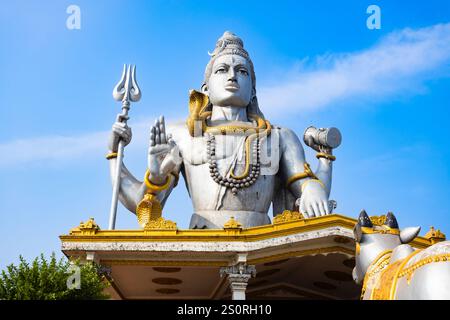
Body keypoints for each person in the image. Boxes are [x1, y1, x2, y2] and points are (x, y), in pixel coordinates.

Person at [107, 31, 335, 229]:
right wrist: (120, 158)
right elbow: (140, 202)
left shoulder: (278, 137)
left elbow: (306, 191)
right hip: (205, 246)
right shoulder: (183, 135)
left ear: (253, 90)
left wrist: (313, 187)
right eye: (222, 70)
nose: (232, 76)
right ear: (206, 88)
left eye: (242, 71)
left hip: (264, 248)